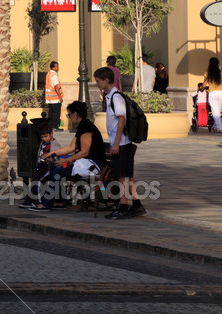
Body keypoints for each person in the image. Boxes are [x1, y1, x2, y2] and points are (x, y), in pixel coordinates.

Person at [30, 101, 106, 212]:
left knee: (60, 170)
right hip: (85, 163)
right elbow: (71, 147)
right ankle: (59, 200)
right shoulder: (82, 127)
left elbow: (84, 152)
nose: (69, 117)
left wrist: (66, 160)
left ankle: (46, 203)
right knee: (53, 167)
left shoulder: (87, 128)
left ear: (75, 114)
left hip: (93, 165)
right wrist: (53, 153)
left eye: (69, 114)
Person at [96, 66, 144, 219]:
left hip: (122, 143)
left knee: (122, 176)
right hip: (122, 143)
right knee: (127, 176)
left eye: (98, 81)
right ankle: (136, 205)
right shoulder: (111, 96)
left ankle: (123, 206)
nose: (97, 84)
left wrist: (115, 144)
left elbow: (121, 120)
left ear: (106, 80)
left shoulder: (116, 97)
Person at [18, 121, 56, 209]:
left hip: (47, 167)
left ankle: (38, 201)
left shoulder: (54, 145)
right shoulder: (43, 143)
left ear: (51, 134)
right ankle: (30, 200)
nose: (44, 139)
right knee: (34, 181)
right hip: (40, 166)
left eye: (46, 136)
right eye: (42, 137)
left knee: (38, 182)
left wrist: (48, 159)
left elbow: (56, 159)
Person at [204, 57, 222, 134]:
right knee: (218, 111)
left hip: (212, 93)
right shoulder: (221, 71)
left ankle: (220, 127)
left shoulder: (207, 73)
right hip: (221, 92)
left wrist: (201, 88)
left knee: (215, 111)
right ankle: (215, 126)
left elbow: (204, 85)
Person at [44, 61, 64, 130]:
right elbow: (56, 87)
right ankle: (55, 126)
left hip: (49, 98)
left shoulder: (48, 74)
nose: (58, 68)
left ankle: (51, 126)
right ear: (53, 67)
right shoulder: (54, 75)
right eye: (57, 66)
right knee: (56, 113)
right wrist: (60, 97)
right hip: (55, 98)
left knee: (51, 113)